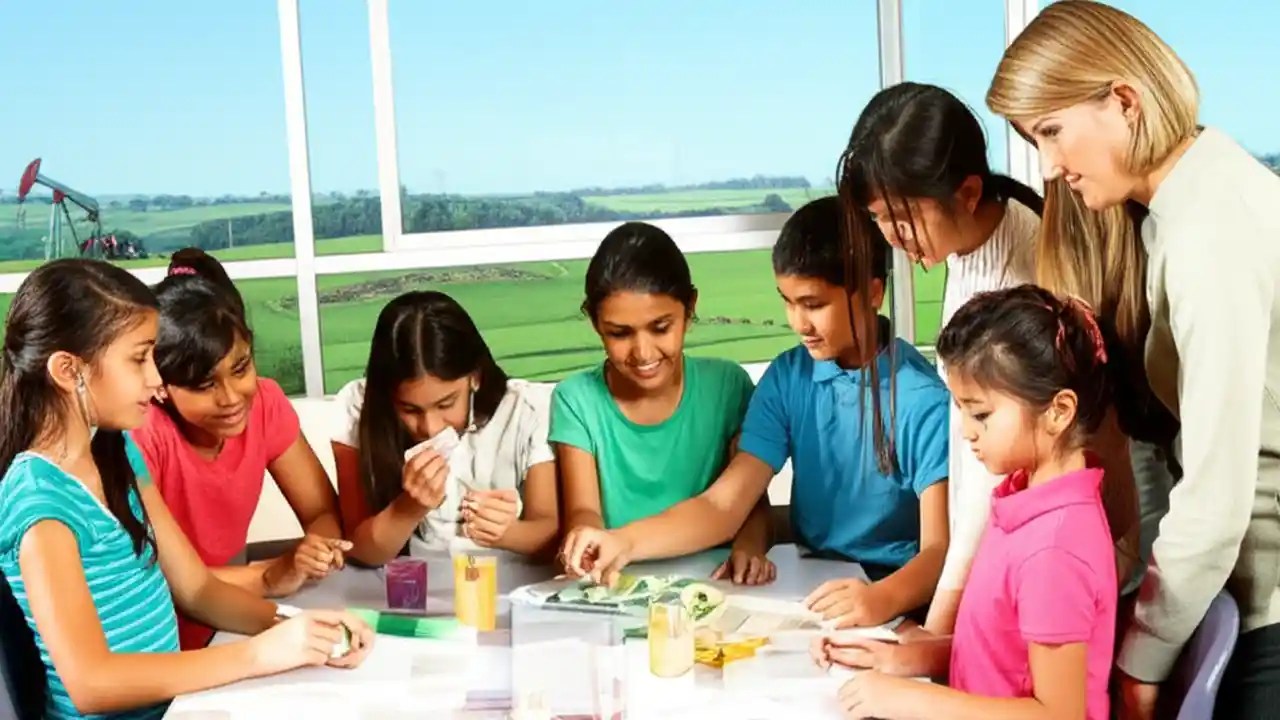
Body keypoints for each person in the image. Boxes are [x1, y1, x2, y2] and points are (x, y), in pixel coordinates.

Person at [987, 3, 1280, 717]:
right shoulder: (1186, 207)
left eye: (1052, 131)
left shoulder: (1211, 234)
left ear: (1124, 99)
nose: (1049, 168)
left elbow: (1215, 503)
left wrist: (1140, 660)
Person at [0, 260, 371, 720]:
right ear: (68, 370)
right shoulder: (40, 502)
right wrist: (259, 655)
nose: (157, 381)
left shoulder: (117, 456)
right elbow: (90, 684)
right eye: (139, 358)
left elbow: (197, 590)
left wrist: (300, 630)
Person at [561, 199, 951, 624]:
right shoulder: (788, 378)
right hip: (811, 584)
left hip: (896, 598)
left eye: (813, 303)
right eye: (787, 301)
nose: (797, 322)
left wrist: (880, 601)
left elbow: (939, 550)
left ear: (872, 292)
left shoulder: (921, 399)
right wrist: (625, 542)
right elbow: (723, 506)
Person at [816, 285, 1119, 720]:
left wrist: (911, 699)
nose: (966, 431)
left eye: (981, 414)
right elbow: (997, 651)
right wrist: (902, 658)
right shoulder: (1025, 499)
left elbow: (1059, 714)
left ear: (1058, 411)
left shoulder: (1055, 548)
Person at [839, 81, 1043, 634]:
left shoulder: (1023, 280)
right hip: (992, 549)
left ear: (969, 192)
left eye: (901, 217)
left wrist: (940, 627)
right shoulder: (966, 246)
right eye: (879, 217)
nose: (892, 237)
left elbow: (991, 479)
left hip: (1035, 565)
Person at [132, 249, 349, 650]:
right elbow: (164, 579)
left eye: (241, 368)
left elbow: (322, 511)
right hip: (167, 646)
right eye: (203, 385)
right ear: (160, 385)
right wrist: (268, 575)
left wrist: (318, 549)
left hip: (231, 625)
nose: (231, 398)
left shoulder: (264, 403)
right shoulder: (143, 436)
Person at [552, 222, 773, 585]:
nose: (643, 353)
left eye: (660, 327)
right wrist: (586, 539)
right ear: (595, 322)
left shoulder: (728, 386)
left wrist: (750, 545)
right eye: (620, 333)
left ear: (690, 308)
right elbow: (583, 510)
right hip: (619, 580)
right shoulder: (576, 399)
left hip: (716, 581)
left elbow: (748, 502)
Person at [332, 291, 559, 563]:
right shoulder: (358, 405)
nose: (430, 428)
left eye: (446, 404)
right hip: (409, 591)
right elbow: (358, 550)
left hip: (507, 588)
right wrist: (409, 507)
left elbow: (551, 531)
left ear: (475, 377)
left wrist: (508, 533)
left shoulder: (528, 410)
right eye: (409, 409)